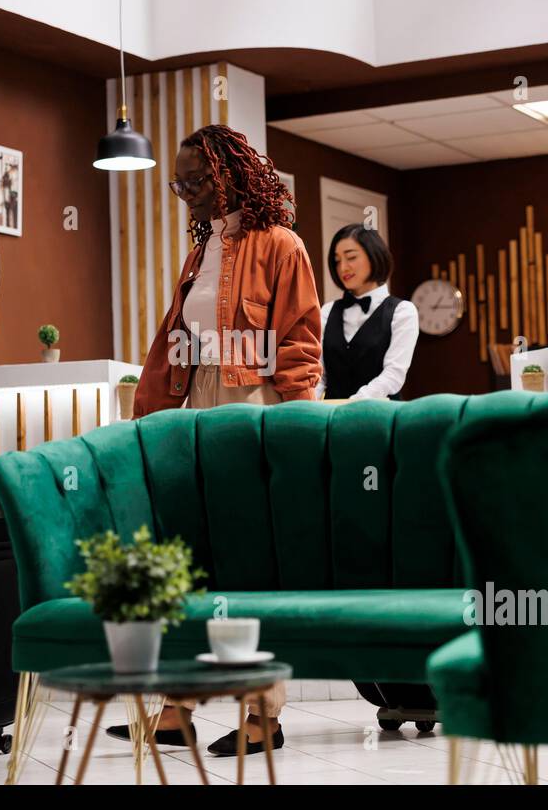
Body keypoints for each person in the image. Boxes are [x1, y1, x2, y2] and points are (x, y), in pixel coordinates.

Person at [113, 123, 322, 757]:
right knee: (191, 551)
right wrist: (147, 417)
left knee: (249, 559)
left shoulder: (282, 245)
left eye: (197, 181)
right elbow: (172, 346)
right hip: (199, 400)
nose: (188, 194)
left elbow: (300, 343)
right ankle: (177, 708)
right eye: (180, 184)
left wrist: (298, 428)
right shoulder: (200, 255)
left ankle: (264, 713)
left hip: (252, 403)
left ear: (232, 173)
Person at [316, 224, 418, 400]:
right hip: (332, 418)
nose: (343, 268)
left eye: (351, 257)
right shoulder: (327, 311)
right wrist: (310, 406)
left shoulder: (402, 312)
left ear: (374, 256)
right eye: (337, 260)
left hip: (381, 418)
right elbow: (319, 375)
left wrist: (352, 404)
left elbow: (393, 375)